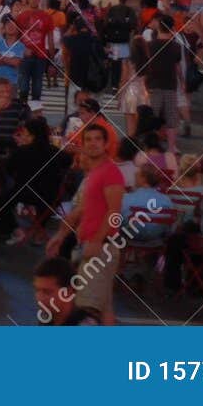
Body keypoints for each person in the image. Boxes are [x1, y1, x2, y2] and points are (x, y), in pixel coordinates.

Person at [57, 122, 125, 325]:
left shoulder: (110, 173)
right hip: (93, 245)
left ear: (106, 144)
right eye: (88, 139)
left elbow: (114, 211)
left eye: (98, 139)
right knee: (104, 309)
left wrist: (96, 240)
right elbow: (82, 210)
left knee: (87, 311)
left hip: (100, 247)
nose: (93, 143)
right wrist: (60, 235)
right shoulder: (95, 174)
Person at [32, 256, 100, 325]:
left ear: (67, 292)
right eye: (37, 290)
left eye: (47, 292)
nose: (40, 298)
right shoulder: (47, 318)